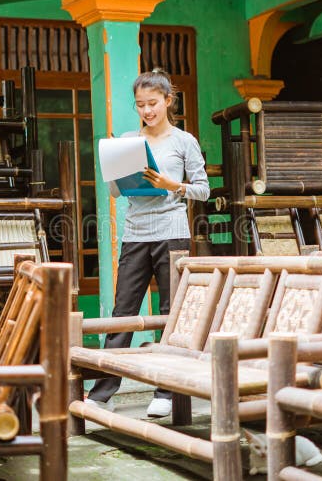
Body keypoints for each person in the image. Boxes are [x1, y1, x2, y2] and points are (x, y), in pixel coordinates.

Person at [85, 69, 210, 418]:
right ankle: (103, 390)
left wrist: (173, 184)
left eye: (153, 103)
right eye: (140, 105)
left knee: (171, 312)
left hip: (172, 232)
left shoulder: (184, 141)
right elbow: (116, 191)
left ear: (168, 101)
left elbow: (203, 189)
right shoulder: (128, 139)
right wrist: (113, 170)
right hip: (135, 233)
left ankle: (165, 392)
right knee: (122, 312)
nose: (147, 111)